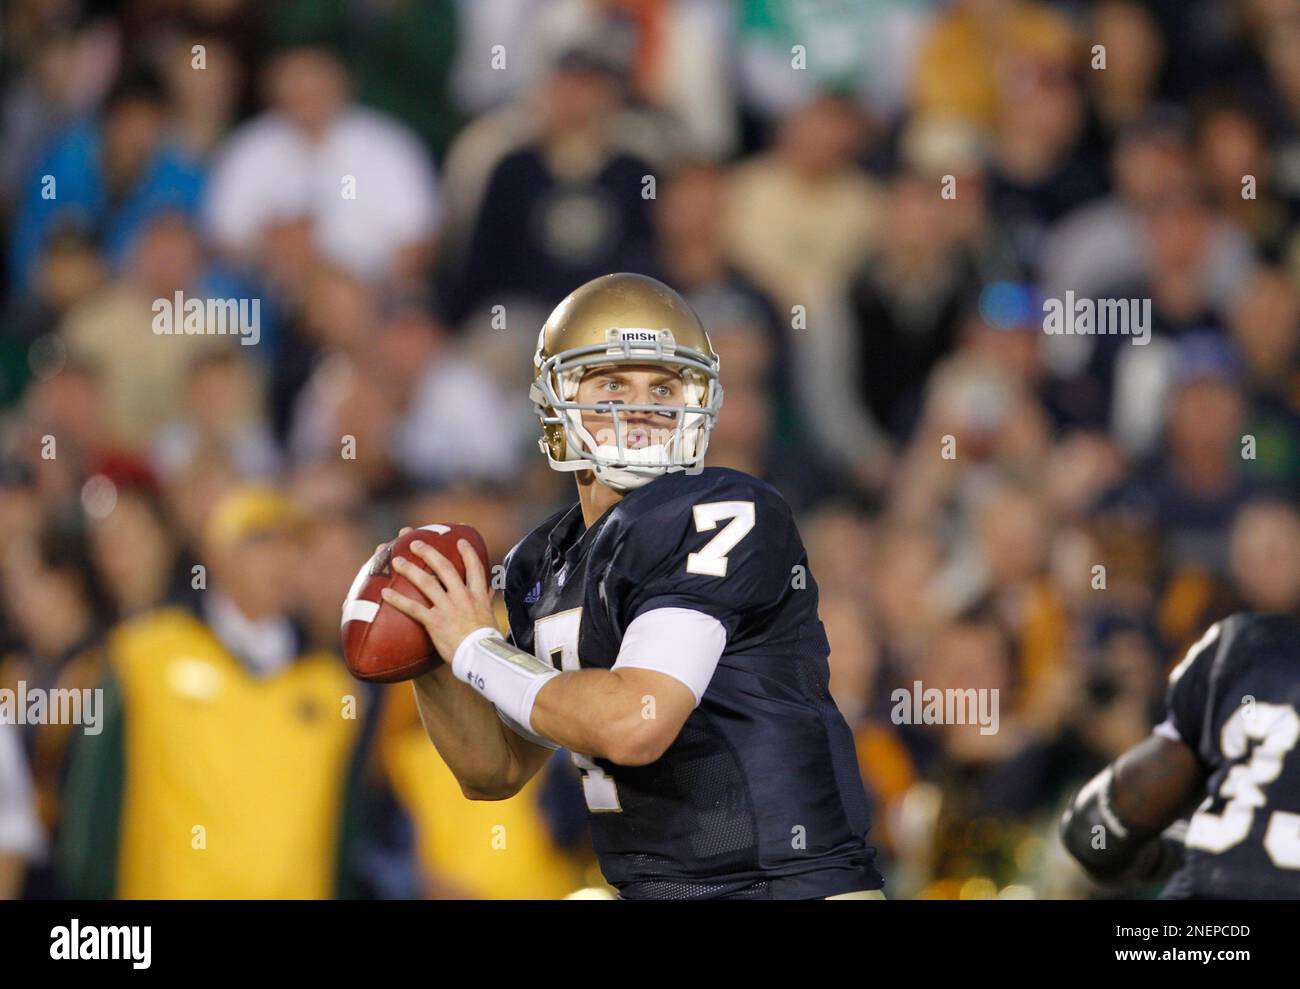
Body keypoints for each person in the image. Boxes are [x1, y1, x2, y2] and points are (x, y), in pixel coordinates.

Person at [381, 273, 883, 899]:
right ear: (557, 399)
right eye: (613, 382)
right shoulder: (544, 561)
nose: (641, 406)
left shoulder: (725, 510)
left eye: (664, 387)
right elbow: (494, 770)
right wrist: (432, 644)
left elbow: (635, 725)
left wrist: (475, 648)